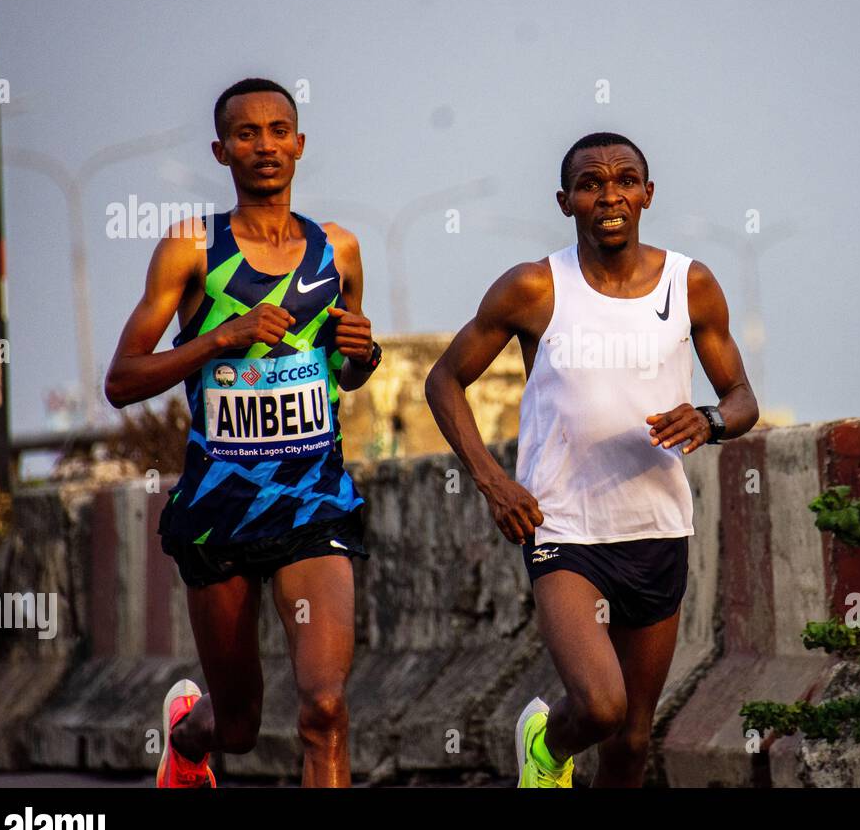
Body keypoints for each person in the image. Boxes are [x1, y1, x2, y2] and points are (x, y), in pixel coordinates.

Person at [425, 132, 758, 787]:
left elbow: (742, 397)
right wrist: (495, 483)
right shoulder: (533, 288)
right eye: (591, 183)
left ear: (648, 194)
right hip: (563, 526)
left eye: (625, 180)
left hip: (658, 526)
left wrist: (711, 420)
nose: (610, 195)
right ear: (565, 200)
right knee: (602, 707)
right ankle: (546, 749)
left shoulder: (690, 284)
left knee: (633, 739)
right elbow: (443, 381)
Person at [104, 78, 383, 787]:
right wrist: (219, 338)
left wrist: (364, 357)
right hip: (219, 510)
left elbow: (346, 375)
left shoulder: (339, 249)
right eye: (247, 133)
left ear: (300, 144)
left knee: (323, 706)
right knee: (239, 726)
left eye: (278, 130)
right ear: (221, 149)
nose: (265, 145)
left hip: (314, 503)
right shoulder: (191, 248)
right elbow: (122, 380)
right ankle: (190, 738)